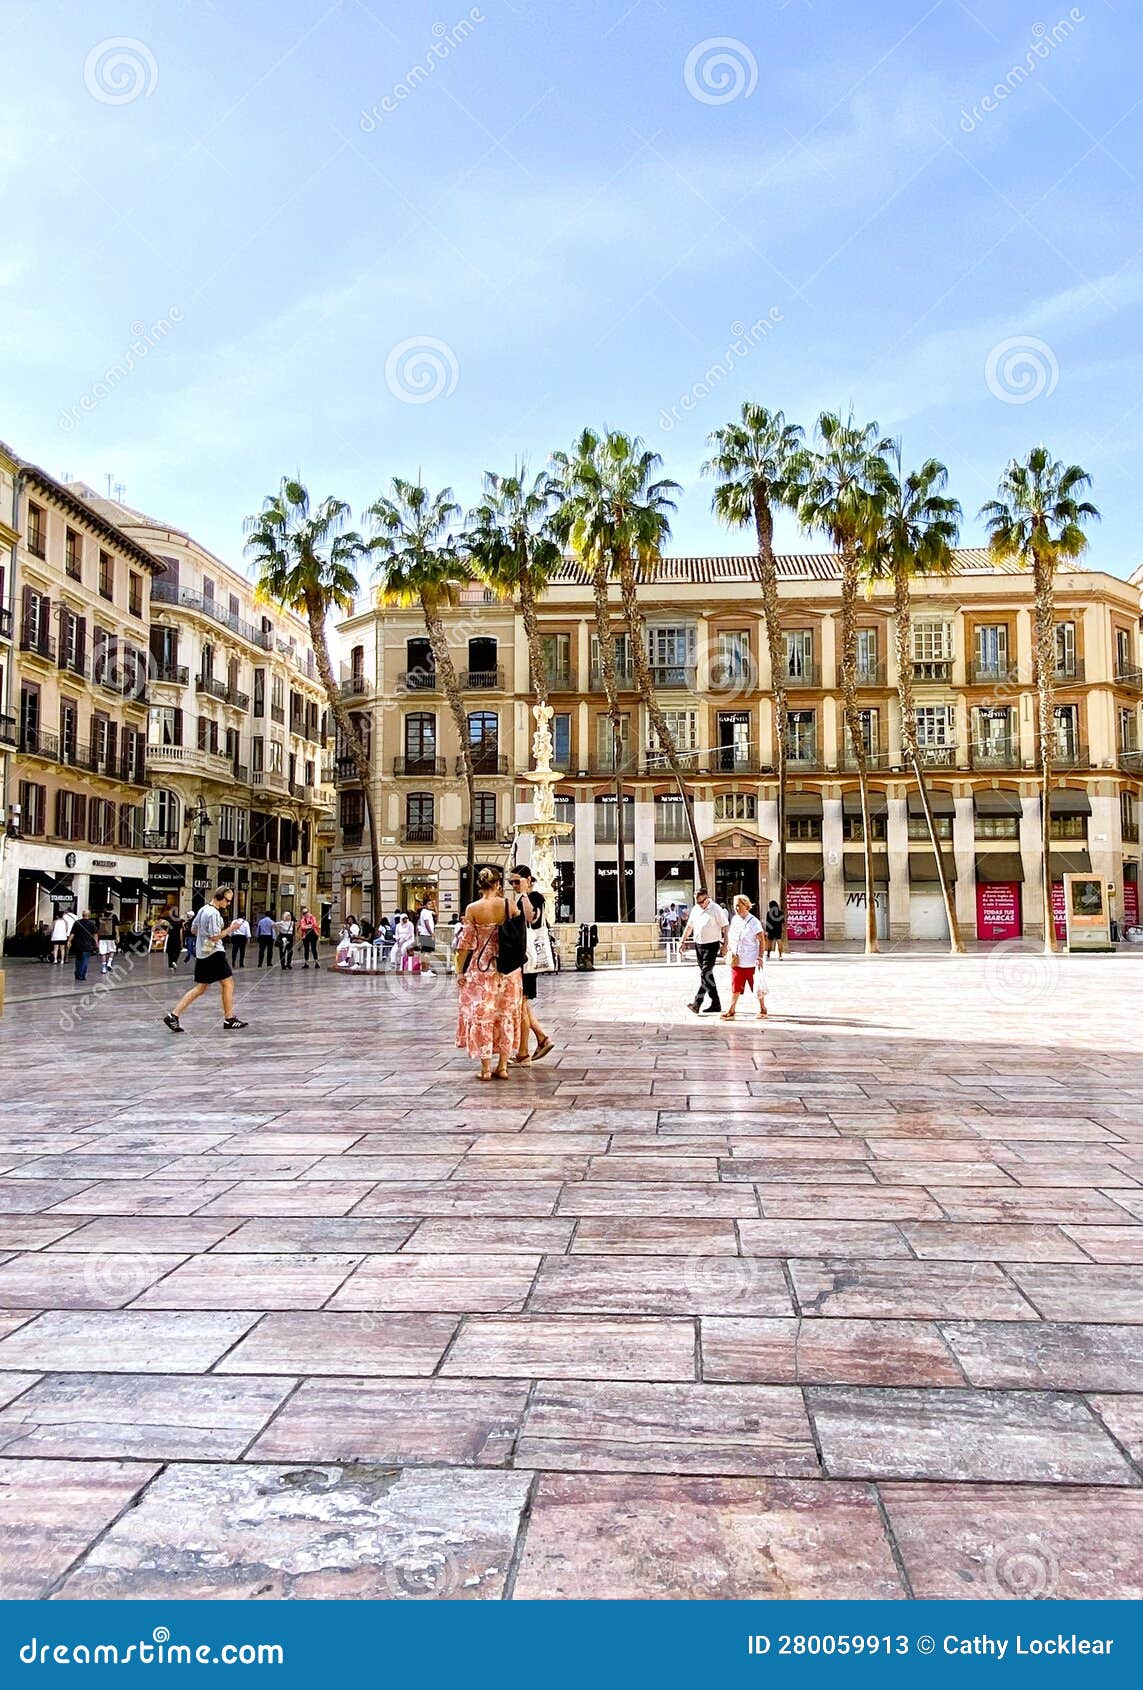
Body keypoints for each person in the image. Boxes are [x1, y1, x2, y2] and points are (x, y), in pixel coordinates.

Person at [453, 866, 524, 1081]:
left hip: (481, 969)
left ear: (480, 887)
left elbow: (465, 944)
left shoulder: (472, 909)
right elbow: (520, 930)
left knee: (483, 1016)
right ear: (497, 885)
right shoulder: (507, 904)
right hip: (507, 969)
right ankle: (502, 1067)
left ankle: (485, 1069)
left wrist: (459, 971)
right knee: (505, 1016)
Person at [163, 886, 247, 1033]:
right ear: (220, 898)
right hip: (214, 951)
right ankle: (229, 1019)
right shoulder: (213, 913)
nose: (228, 904)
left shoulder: (202, 909)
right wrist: (231, 929)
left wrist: (205, 939)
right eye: (227, 901)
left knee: (201, 988)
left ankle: (173, 1015)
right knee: (228, 983)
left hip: (203, 951)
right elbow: (215, 937)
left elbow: (194, 930)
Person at [509, 865, 554, 1064]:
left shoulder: (534, 897)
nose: (514, 885)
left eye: (517, 881)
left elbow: (531, 918)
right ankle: (541, 1039)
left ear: (528, 879)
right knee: (522, 1005)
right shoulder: (521, 898)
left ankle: (524, 1053)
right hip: (522, 959)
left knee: (521, 1005)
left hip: (528, 960)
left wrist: (525, 893)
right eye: (512, 882)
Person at [680, 887, 729, 1015]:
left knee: (705, 973)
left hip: (712, 945)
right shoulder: (696, 909)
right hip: (699, 945)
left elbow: (725, 926)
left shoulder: (716, 909)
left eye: (702, 902)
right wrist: (682, 941)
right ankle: (716, 1003)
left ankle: (697, 1003)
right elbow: (689, 927)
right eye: (697, 902)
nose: (700, 904)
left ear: (707, 898)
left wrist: (725, 944)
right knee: (708, 976)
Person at [721, 894, 768, 1021]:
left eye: (739, 905)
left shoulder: (754, 922)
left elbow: (761, 939)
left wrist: (760, 956)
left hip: (751, 960)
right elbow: (732, 936)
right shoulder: (735, 919)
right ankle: (731, 1009)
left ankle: (763, 1008)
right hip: (736, 959)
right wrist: (728, 948)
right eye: (735, 905)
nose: (736, 908)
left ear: (746, 906)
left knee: (756, 986)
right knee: (736, 985)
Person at [69, 908, 99, 983]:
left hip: (78, 944)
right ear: (89, 915)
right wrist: (96, 943)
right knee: (85, 960)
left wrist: (69, 941)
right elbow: (95, 934)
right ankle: (82, 975)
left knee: (78, 960)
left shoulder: (77, 923)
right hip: (87, 945)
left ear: (82, 915)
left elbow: (72, 934)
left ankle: (77, 973)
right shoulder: (92, 924)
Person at [95, 907, 119, 976]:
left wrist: (97, 939)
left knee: (103, 952)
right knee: (112, 950)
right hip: (111, 937)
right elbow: (116, 928)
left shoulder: (100, 916)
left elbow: (96, 928)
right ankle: (109, 962)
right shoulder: (114, 916)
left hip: (102, 937)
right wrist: (117, 936)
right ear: (112, 909)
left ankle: (103, 968)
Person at [415, 899, 436, 973]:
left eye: (431, 904)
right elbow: (427, 923)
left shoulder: (425, 912)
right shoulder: (426, 913)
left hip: (424, 934)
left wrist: (435, 905)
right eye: (429, 904)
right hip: (427, 934)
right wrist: (431, 933)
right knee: (427, 953)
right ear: (425, 905)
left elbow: (436, 913)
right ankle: (426, 970)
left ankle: (424, 970)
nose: (431, 905)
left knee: (424, 953)